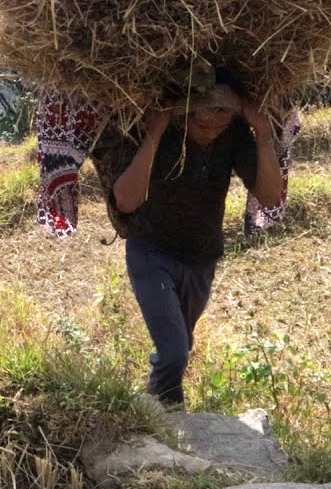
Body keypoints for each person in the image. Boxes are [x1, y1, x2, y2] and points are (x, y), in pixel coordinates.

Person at [90, 73, 283, 408]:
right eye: (201, 121)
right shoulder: (161, 134)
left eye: (221, 119)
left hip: (202, 257)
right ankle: (170, 415)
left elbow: (269, 197)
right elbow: (125, 201)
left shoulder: (234, 135)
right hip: (151, 251)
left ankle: (151, 408)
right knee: (174, 352)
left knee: (182, 344)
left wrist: (263, 134)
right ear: (183, 115)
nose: (210, 128)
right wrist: (154, 133)